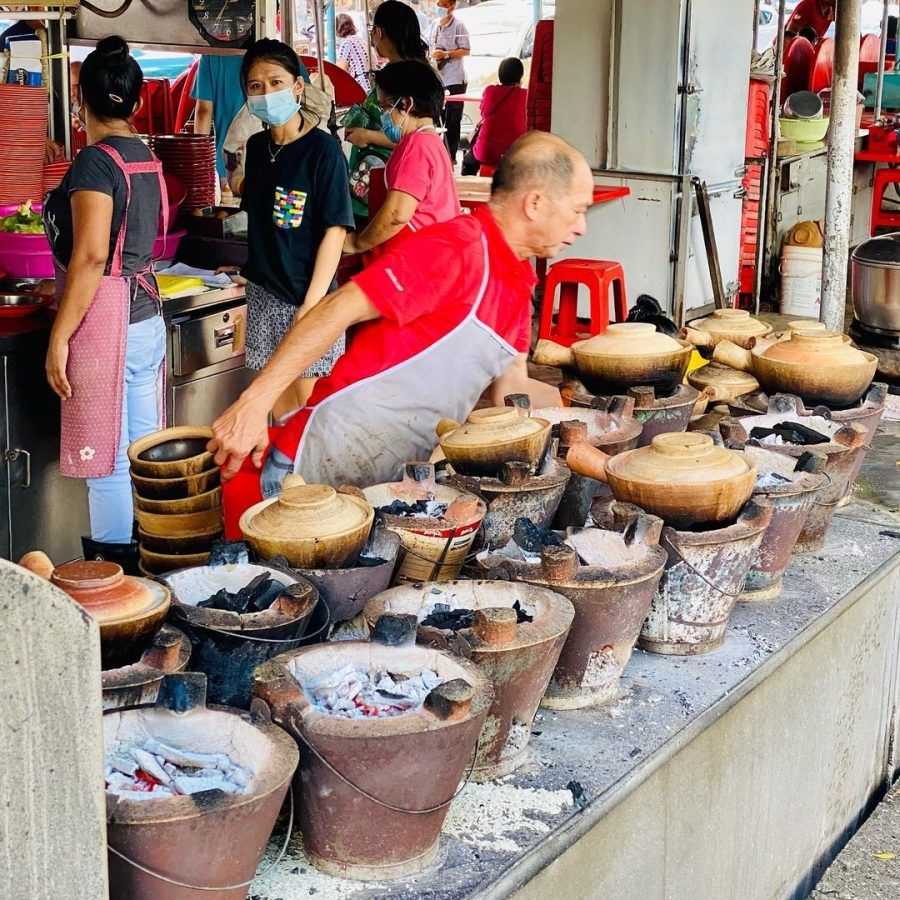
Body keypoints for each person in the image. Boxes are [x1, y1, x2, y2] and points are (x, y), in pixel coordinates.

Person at [208, 132, 594, 505]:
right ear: (536, 203)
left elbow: (512, 391)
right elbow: (335, 308)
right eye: (577, 210)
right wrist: (254, 403)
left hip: (391, 479)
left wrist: (590, 417)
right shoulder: (457, 248)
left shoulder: (519, 282)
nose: (581, 228)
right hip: (315, 470)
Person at [42, 36, 165, 571]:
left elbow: (91, 257)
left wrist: (60, 336)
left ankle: (113, 584)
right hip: (145, 318)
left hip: (104, 322)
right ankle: (155, 569)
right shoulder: (144, 155)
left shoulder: (96, 161)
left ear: (80, 99)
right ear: (136, 102)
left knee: (108, 462)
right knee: (144, 455)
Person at [237, 39, 354, 414]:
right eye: (256, 86)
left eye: (276, 82)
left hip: (308, 299)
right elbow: (264, 220)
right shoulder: (256, 148)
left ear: (297, 87)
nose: (267, 93)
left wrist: (311, 307)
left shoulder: (323, 150)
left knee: (310, 415)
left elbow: (335, 232)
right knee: (275, 411)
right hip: (264, 298)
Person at [342, 60, 458, 257]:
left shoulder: (416, 146)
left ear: (406, 103)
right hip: (433, 251)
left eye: (385, 107)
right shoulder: (432, 142)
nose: (383, 116)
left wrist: (357, 243)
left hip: (420, 258)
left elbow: (396, 215)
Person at [344, 0, 430, 216]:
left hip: (393, 176)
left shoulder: (413, 76)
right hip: (370, 174)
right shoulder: (394, 70)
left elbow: (415, 134)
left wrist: (368, 136)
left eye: (373, 30)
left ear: (379, 32)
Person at [462, 57, 527, 176]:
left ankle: (466, 189)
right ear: (520, 76)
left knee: (468, 162)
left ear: (500, 75)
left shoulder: (490, 91)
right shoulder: (525, 95)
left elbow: (484, 113)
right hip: (515, 152)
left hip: (486, 152)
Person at [430, 0, 470, 164]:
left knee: (453, 120)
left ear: (452, 8)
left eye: (443, 5)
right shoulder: (434, 25)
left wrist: (446, 54)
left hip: (455, 78)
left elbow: (466, 50)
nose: (439, 7)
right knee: (438, 118)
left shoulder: (459, 26)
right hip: (439, 78)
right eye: (438, 4)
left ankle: (451, 156)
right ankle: (439, 155)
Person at [336, 13, 371, 94]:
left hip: (361, 87)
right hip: (370, 85)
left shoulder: (346, 43)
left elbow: (340, 72)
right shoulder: (361, 41)